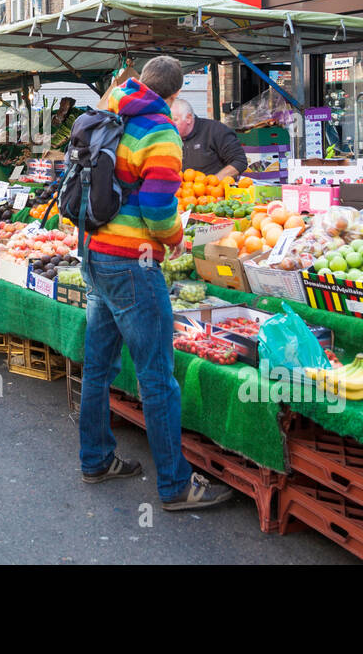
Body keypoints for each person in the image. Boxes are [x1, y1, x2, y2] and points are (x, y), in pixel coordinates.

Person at [78, 56, 233, 512]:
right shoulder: (159, 130)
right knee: (158, 378)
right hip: (132, 263)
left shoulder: (110, 113)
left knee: (98, 367)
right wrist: (177, 240)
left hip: (93, 252)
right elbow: (159, 209)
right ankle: (175, 486)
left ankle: (96, 460)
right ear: (172, 95)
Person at [170, 97, 247, 178]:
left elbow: (239, 161)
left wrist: (213, 181)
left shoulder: (215, 131)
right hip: (180, 189)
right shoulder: (166, 138)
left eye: (174, 120)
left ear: (188, 118)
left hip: (214, 189)